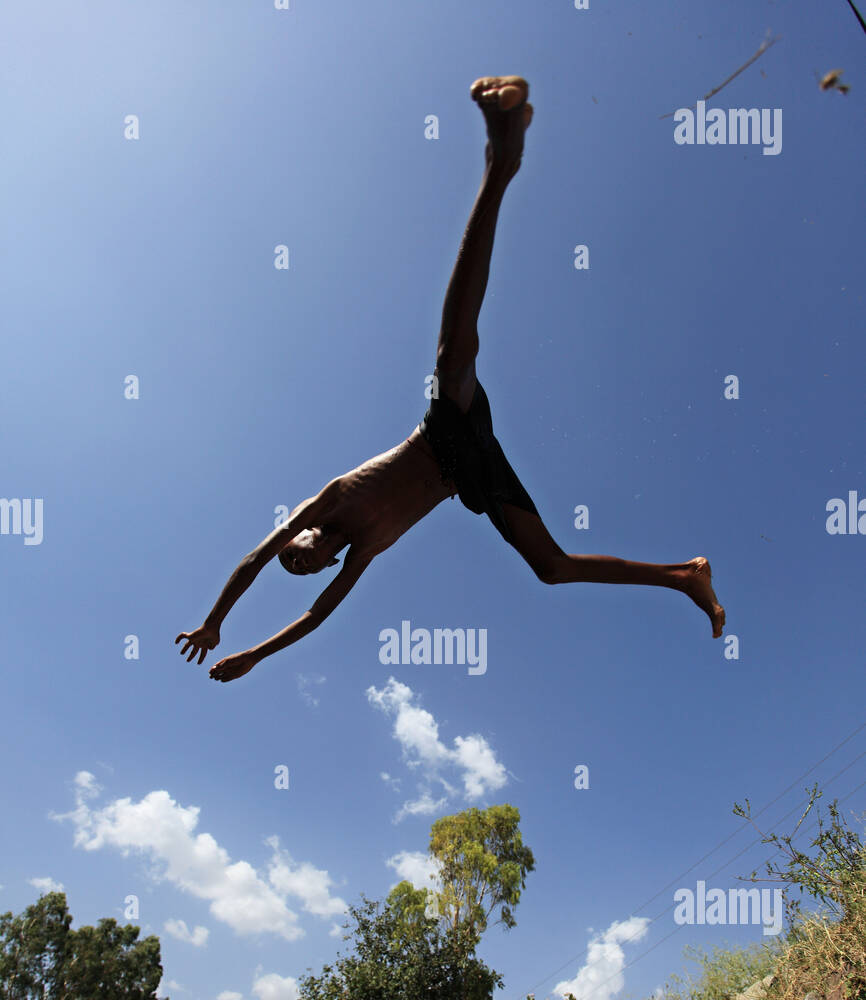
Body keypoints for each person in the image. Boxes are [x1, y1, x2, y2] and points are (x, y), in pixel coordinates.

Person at [176, 76, 724, 684]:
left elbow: (255, 559)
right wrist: (254, 654)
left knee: (451, 353)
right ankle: (684, 575)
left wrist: (215, 620)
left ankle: (502, 162)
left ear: (301, 533)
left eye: (294, 557)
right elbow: (315, 616)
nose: (300, 564)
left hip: (439, 429)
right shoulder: (360, 553)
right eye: (305, 569)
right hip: (472, 473)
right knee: (550, 566)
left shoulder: (325, 502)